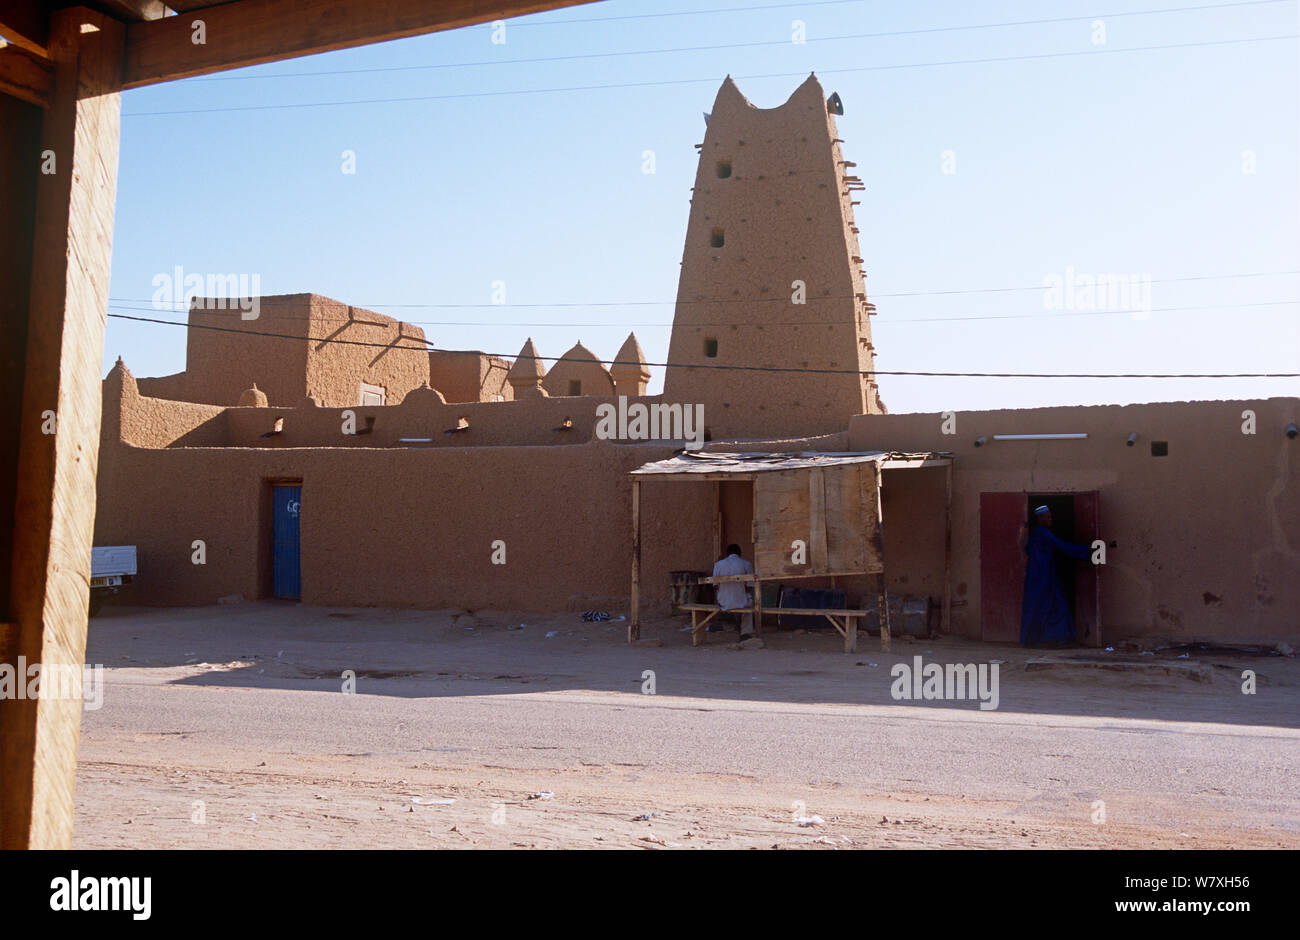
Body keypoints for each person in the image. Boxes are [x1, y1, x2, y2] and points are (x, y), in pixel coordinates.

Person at [1020, 505, 1091, 646]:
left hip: (1040, 575)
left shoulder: (1036, 534)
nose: (1050, 519)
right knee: (1054, 605)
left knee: (1042, 606)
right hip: (1043, 576)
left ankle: (1043, 639)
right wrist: (1085, 549)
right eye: (1048, 517)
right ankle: (1055, 639)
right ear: (1040, 518)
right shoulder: (1042, 533)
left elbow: (1029, 549)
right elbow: (1060, 545)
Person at [712, 544, 755, 640]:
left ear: (727, 554)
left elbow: (715, 586)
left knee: (731, 598)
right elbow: (749, 587)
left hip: (723, 602)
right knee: (749, 603)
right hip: (741, 602)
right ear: (740, 554)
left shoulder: (718, 565)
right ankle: (745, 633)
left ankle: (731, 624)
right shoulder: (746, 564)